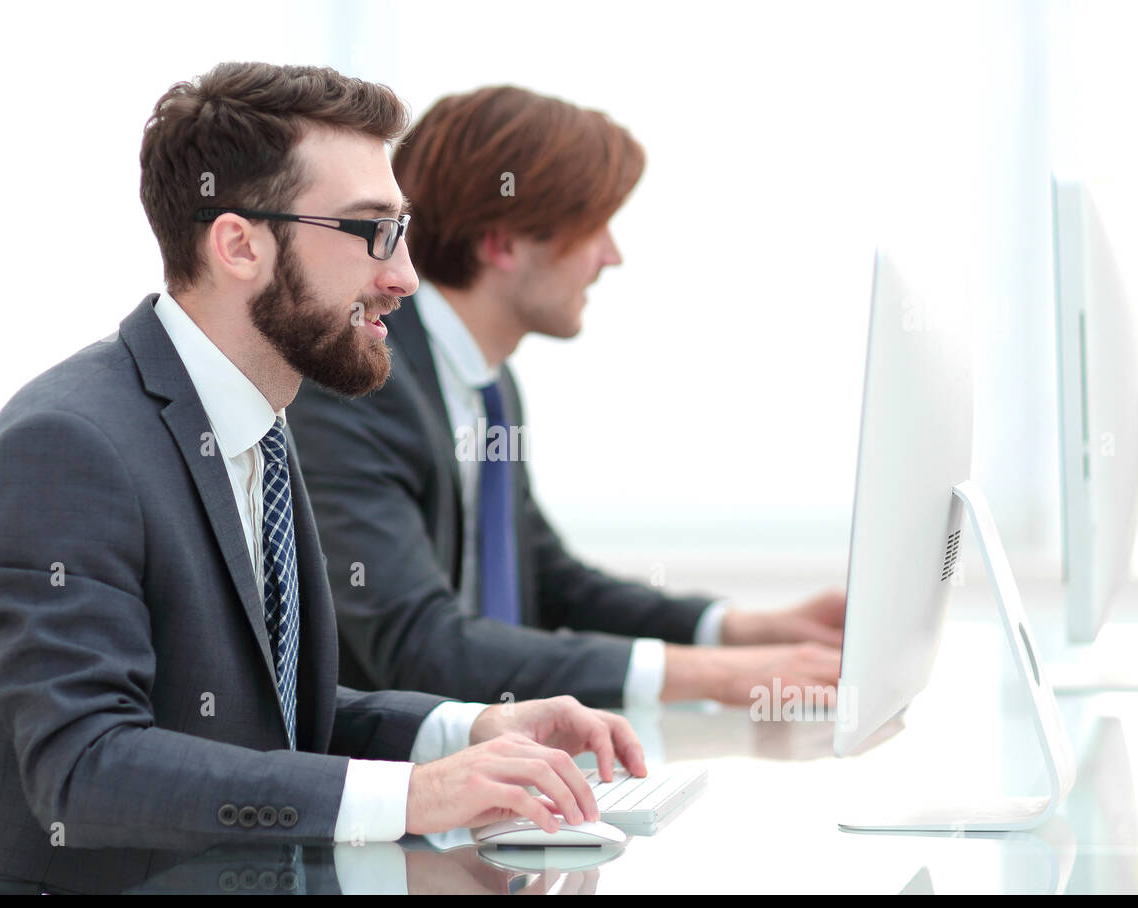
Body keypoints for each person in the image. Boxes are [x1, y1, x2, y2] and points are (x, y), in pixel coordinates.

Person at [0, 63, 643, 894]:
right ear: (240, 245)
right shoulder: (67, 446)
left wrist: (472, 728)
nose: (405, 273)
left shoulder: (256, 419)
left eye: (401, 229)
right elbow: (88, 768)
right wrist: (414, 793)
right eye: (372, 230)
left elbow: (269, 716)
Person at [286, 85, 845, 710]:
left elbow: (550, 581)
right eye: (593, 227)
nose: (612, 255)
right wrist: (710, 677)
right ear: (504, 243)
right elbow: (419, 645)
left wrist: (740, 632)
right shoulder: (361, 380)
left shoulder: (487, 385)